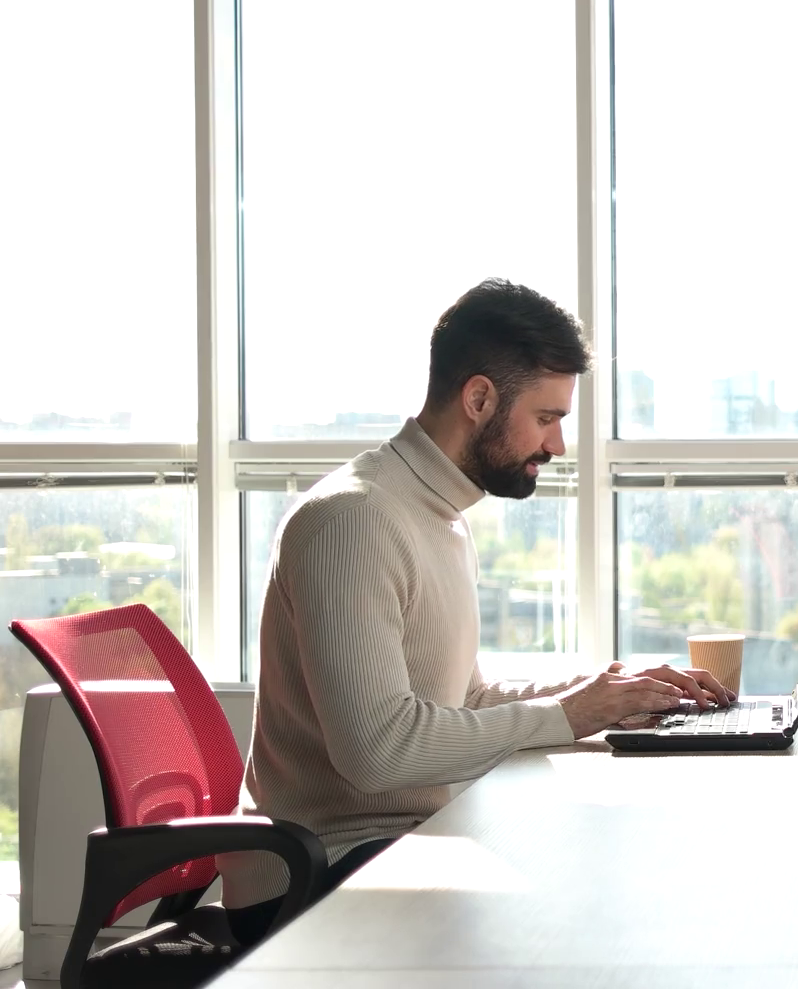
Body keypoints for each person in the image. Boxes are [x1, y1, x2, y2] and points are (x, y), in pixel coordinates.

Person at [218, 279, 733, 942]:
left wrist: (610, 692)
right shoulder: (353, 520)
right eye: (546, 418)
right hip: (319, 874)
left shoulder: (440, 516)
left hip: (404, 838)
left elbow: (465, 699)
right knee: (589, 903)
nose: (557, 446)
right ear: (480, 399)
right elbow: (377, 753)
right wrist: (571, 714)